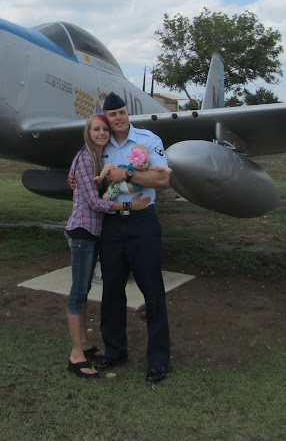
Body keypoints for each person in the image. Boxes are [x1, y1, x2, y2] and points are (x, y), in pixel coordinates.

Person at [69, 92, 172, 383]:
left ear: (128, 113)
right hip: (112, 223)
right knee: (112, 290)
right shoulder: (101, 146)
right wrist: (73, 175)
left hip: (143, 221)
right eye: (112, 114)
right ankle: (115, 351)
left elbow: (162, 179)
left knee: (152, 290)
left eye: (122, 112)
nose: (118, 118)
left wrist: (125, 173)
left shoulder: (148, 140)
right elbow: (87, 170)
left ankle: (158, 359)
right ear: (106, 117)